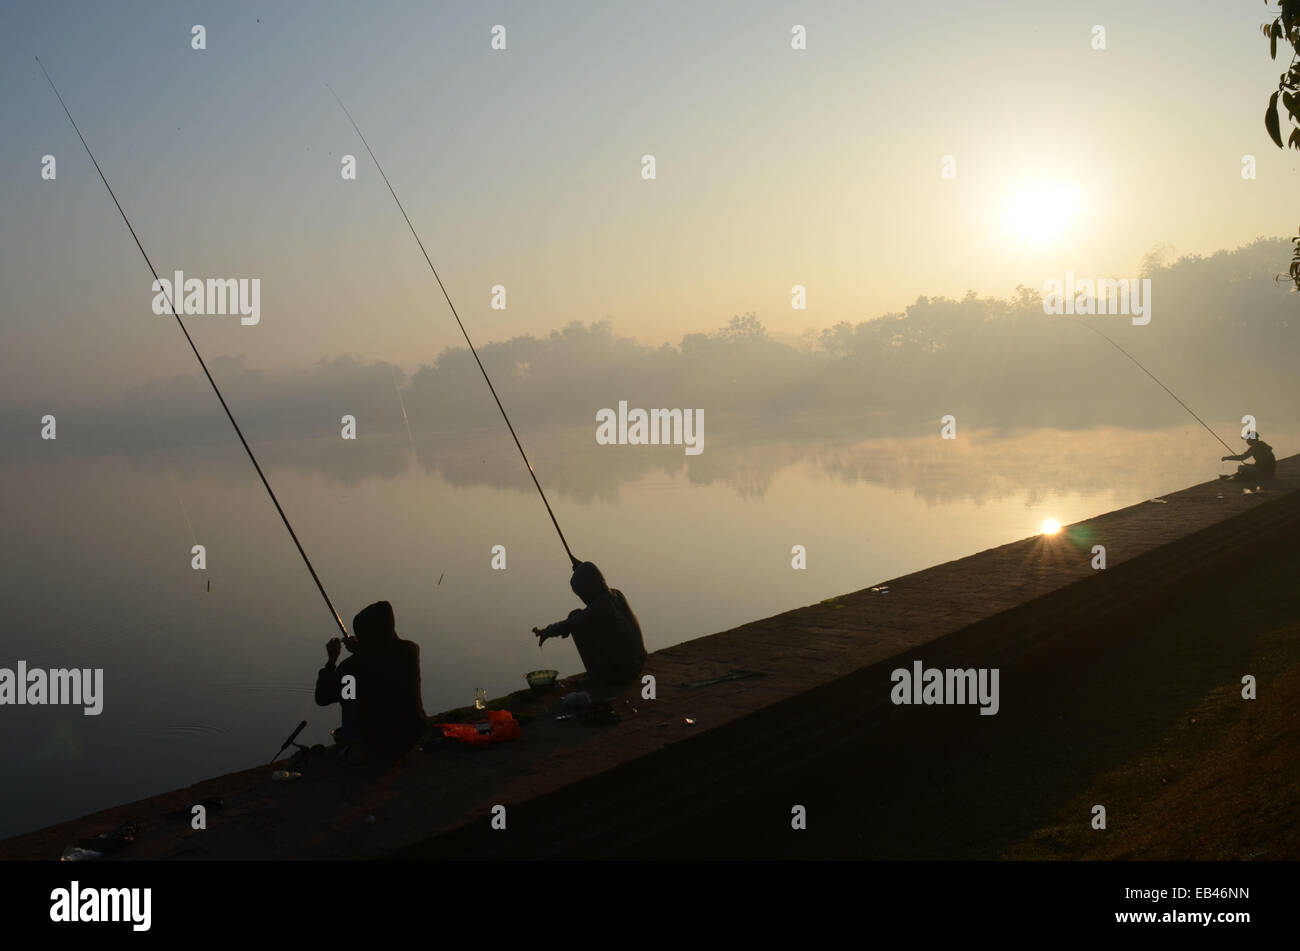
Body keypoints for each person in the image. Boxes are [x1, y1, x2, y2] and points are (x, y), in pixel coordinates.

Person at [315, 601, 426, 758]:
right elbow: (381, 659)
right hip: (411, 736)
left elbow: (322, 697)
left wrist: (331, 662)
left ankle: (355, 747)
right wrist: (361, 649)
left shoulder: (351, 668)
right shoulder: (410, 650)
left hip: (379, 743)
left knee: (348, 696)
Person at [532, 561, 646, 688]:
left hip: (624, 674)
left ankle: (598, 677)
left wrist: (545, 632)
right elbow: (590, 573)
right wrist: (581, 567)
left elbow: (569, 624)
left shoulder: (600, 607)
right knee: (577, 616)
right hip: (638, 664)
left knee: (577, 623)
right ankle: (605, 671)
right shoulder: (616, 594)